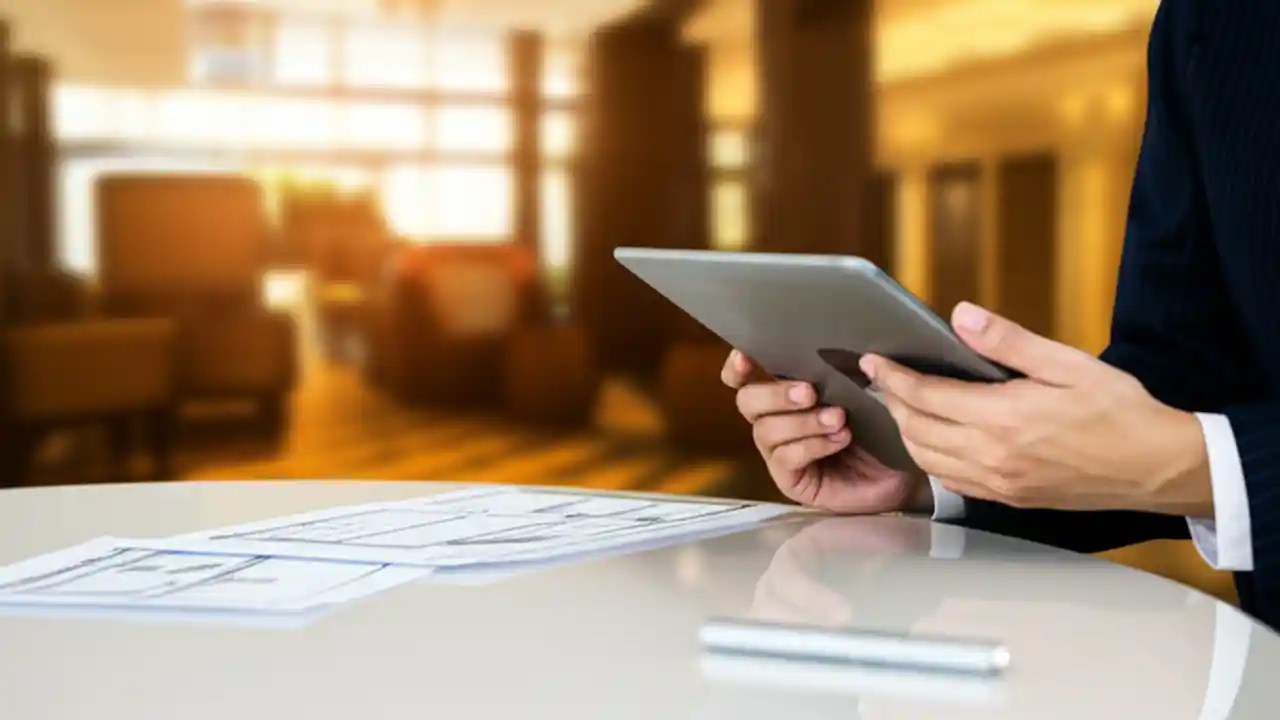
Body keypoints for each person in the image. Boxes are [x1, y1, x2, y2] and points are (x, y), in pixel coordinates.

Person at [722, 0, 1280, 629]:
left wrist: (1198, 467)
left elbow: (1182, 451)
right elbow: (1181, 387)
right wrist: (936, 463)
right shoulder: (1210, 19)